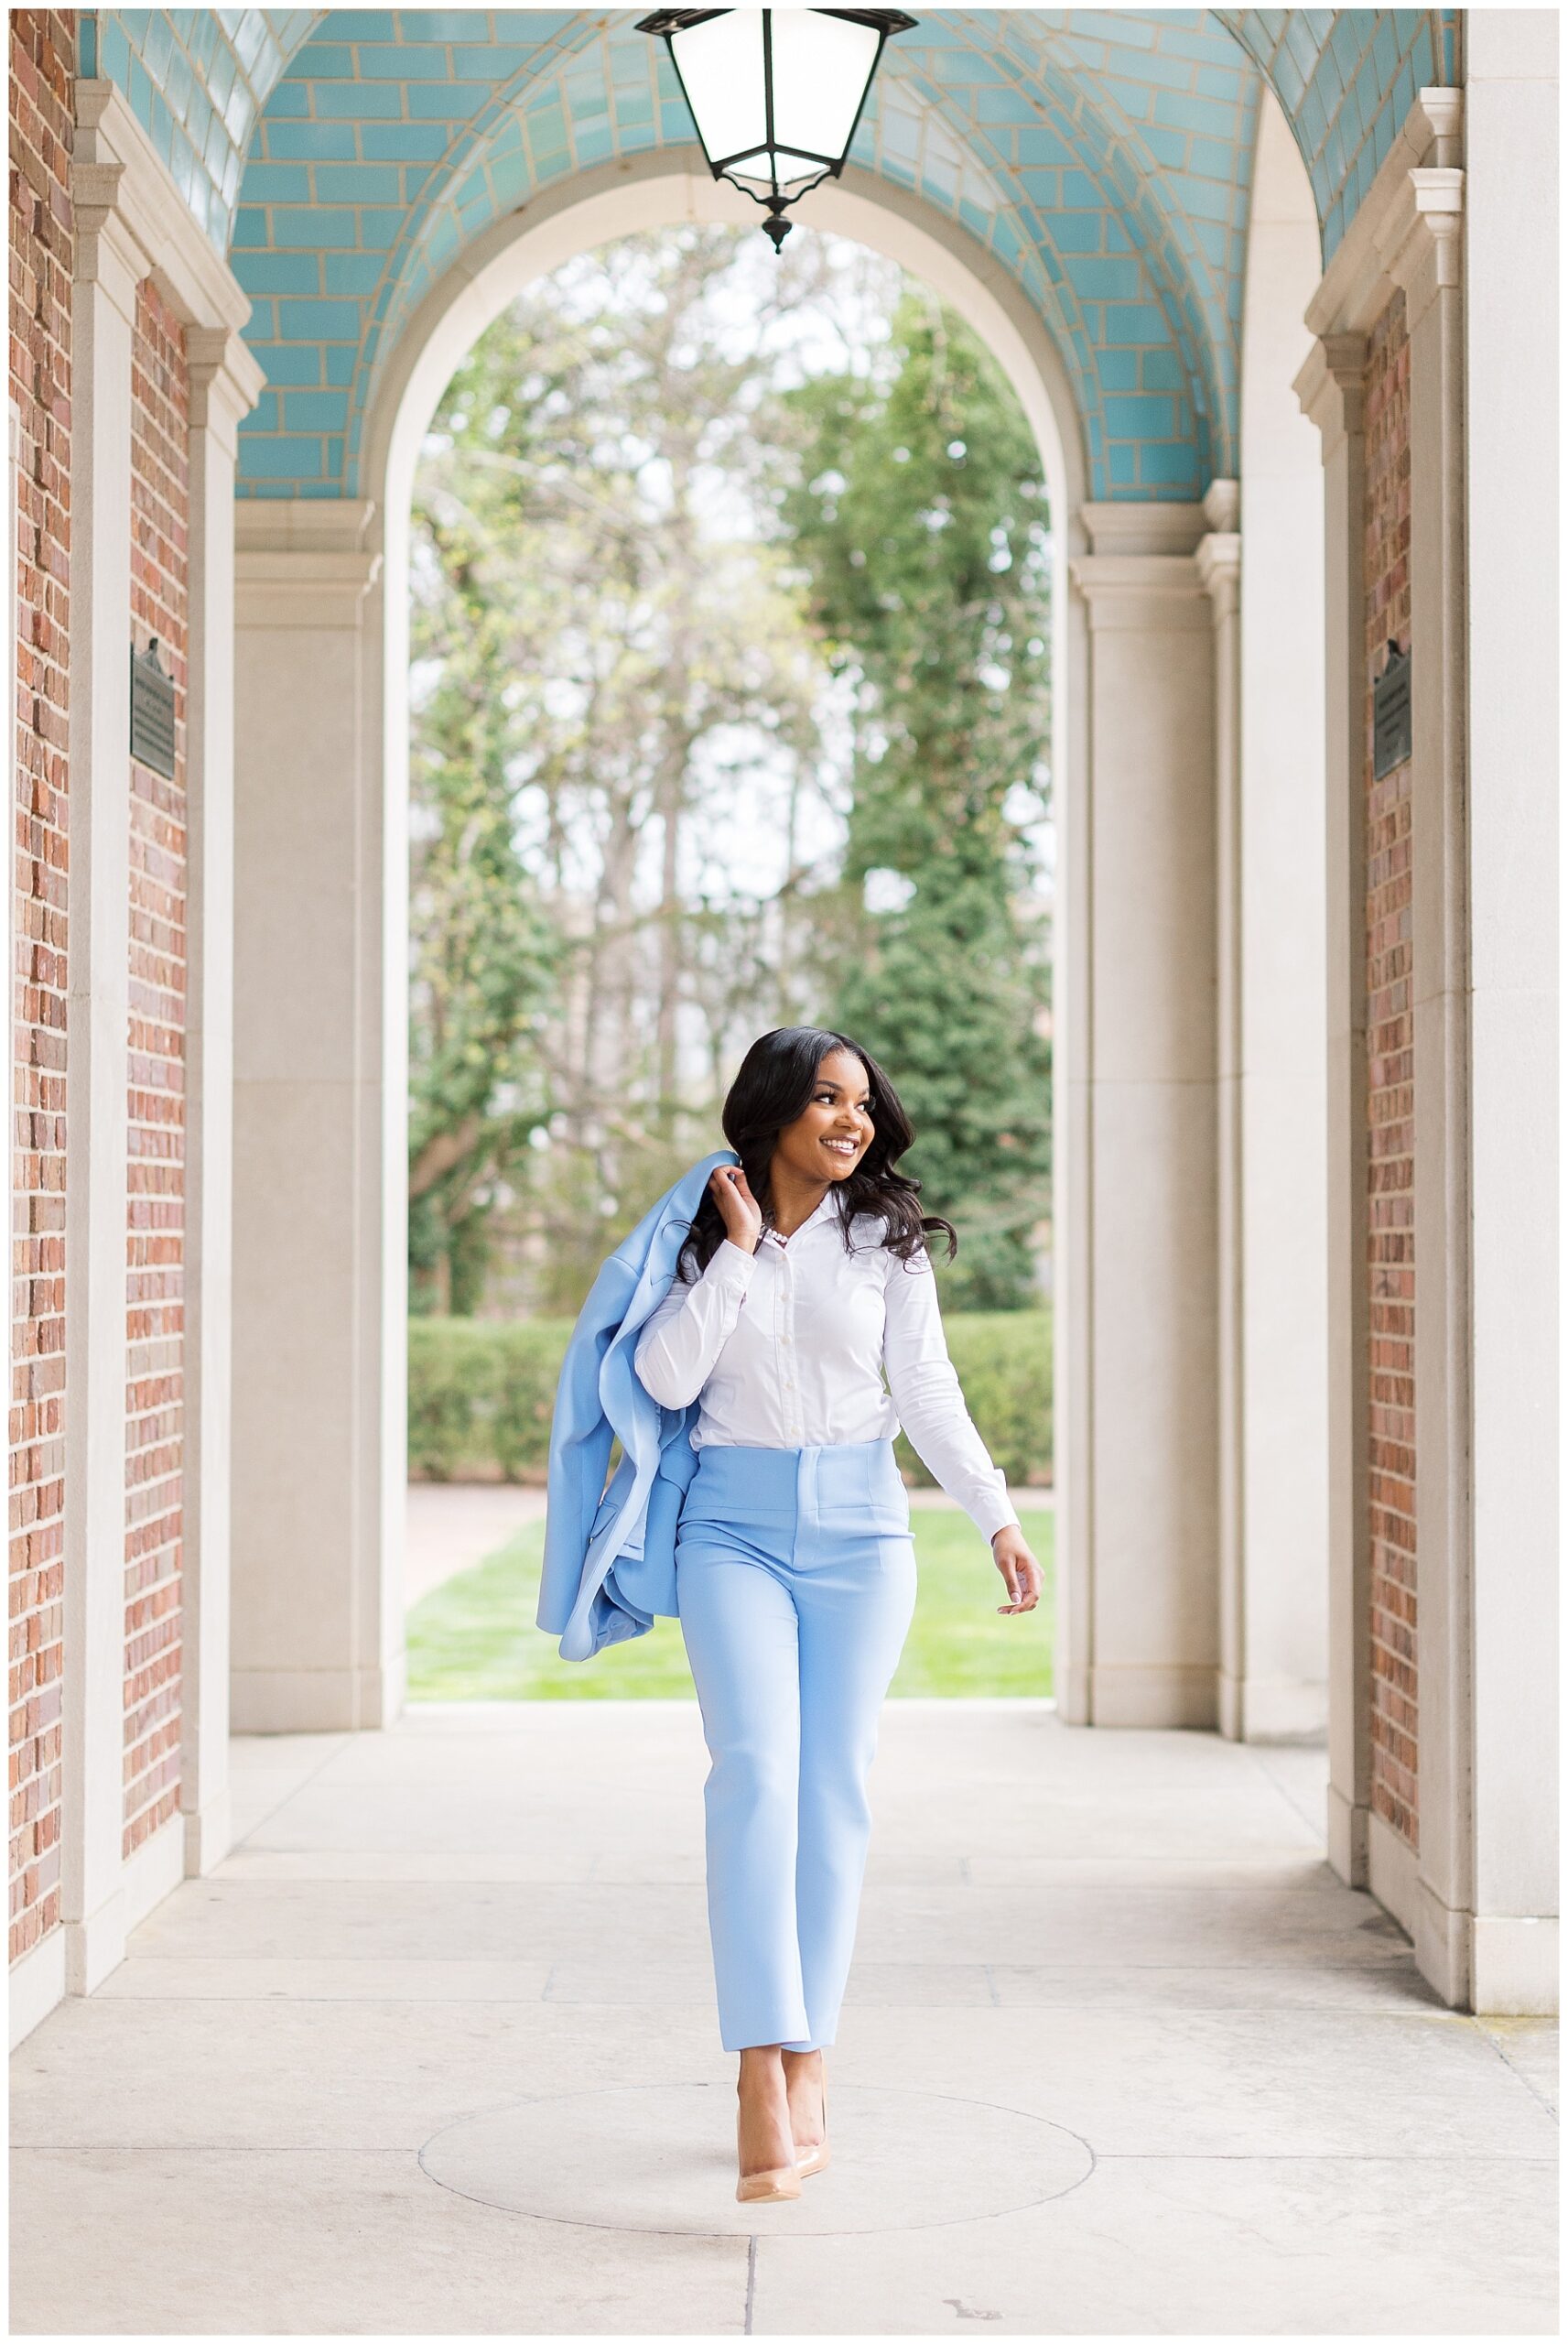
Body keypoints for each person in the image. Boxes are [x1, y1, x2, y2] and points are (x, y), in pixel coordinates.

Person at [630, 1026, 1043, 2203]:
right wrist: (740, 1255)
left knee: (831, 1791)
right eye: (826, 1097)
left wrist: (997, 1515)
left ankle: (811, 2054)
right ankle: (760, 2063)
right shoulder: (699, 1232)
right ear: (772, 1111)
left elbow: (927, 1388)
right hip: (731, 1530)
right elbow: (664, 1378)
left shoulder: (886, 1240)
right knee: (755, 1776)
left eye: (861, 1101)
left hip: (864, 1535)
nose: (852, 1120)